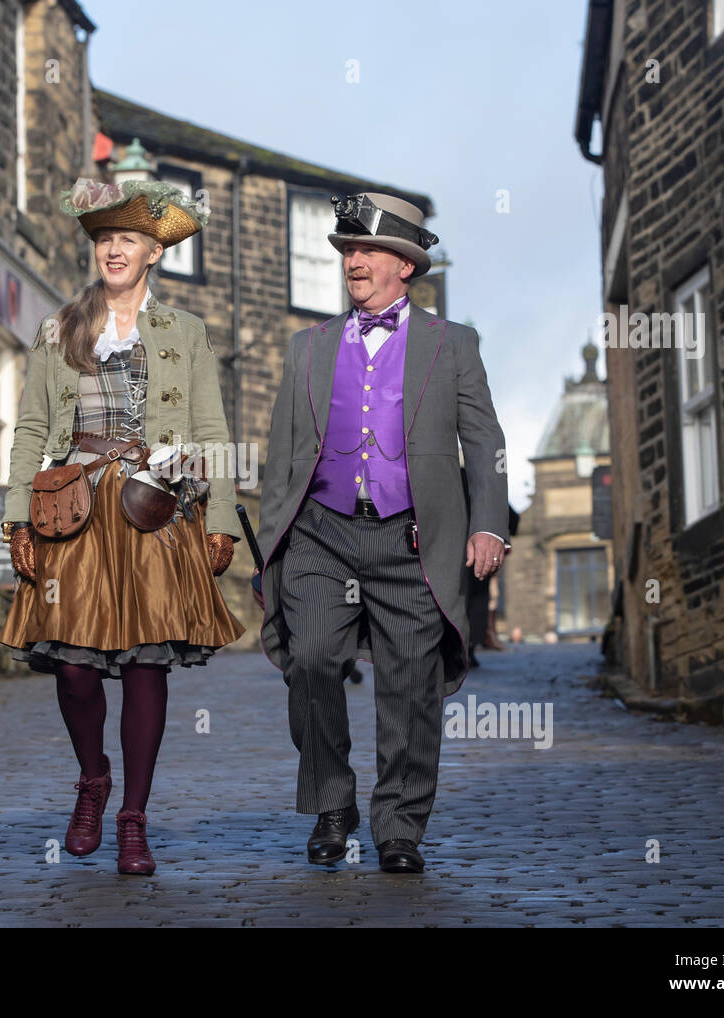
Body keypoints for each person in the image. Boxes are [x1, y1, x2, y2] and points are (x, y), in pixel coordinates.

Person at [253, 192, 510, 873]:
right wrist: (268, 550)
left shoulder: (453, 345)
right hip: (321, 532)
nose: (352, 262)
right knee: (309, 658)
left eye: (364, 250)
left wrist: (487, 522)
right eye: (346, 251)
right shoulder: (306, 348)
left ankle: (399, 826)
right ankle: (332, 802)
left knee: (409, 684)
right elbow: (281, 457)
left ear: (405, 263)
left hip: (411, 538)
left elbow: (483, 441)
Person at [0, 178, 244, 875]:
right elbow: (31, 431)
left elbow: (210, 431)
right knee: (72, 668)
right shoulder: (59, 329)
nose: (113, 249)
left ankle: (133, 817)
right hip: (72, 511)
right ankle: (92, 780)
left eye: (127, 239)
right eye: (104, 238)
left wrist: (219, 518)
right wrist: (16, 516)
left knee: (145, 666)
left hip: (156, 508)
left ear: (151, 253)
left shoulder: (185, 333)